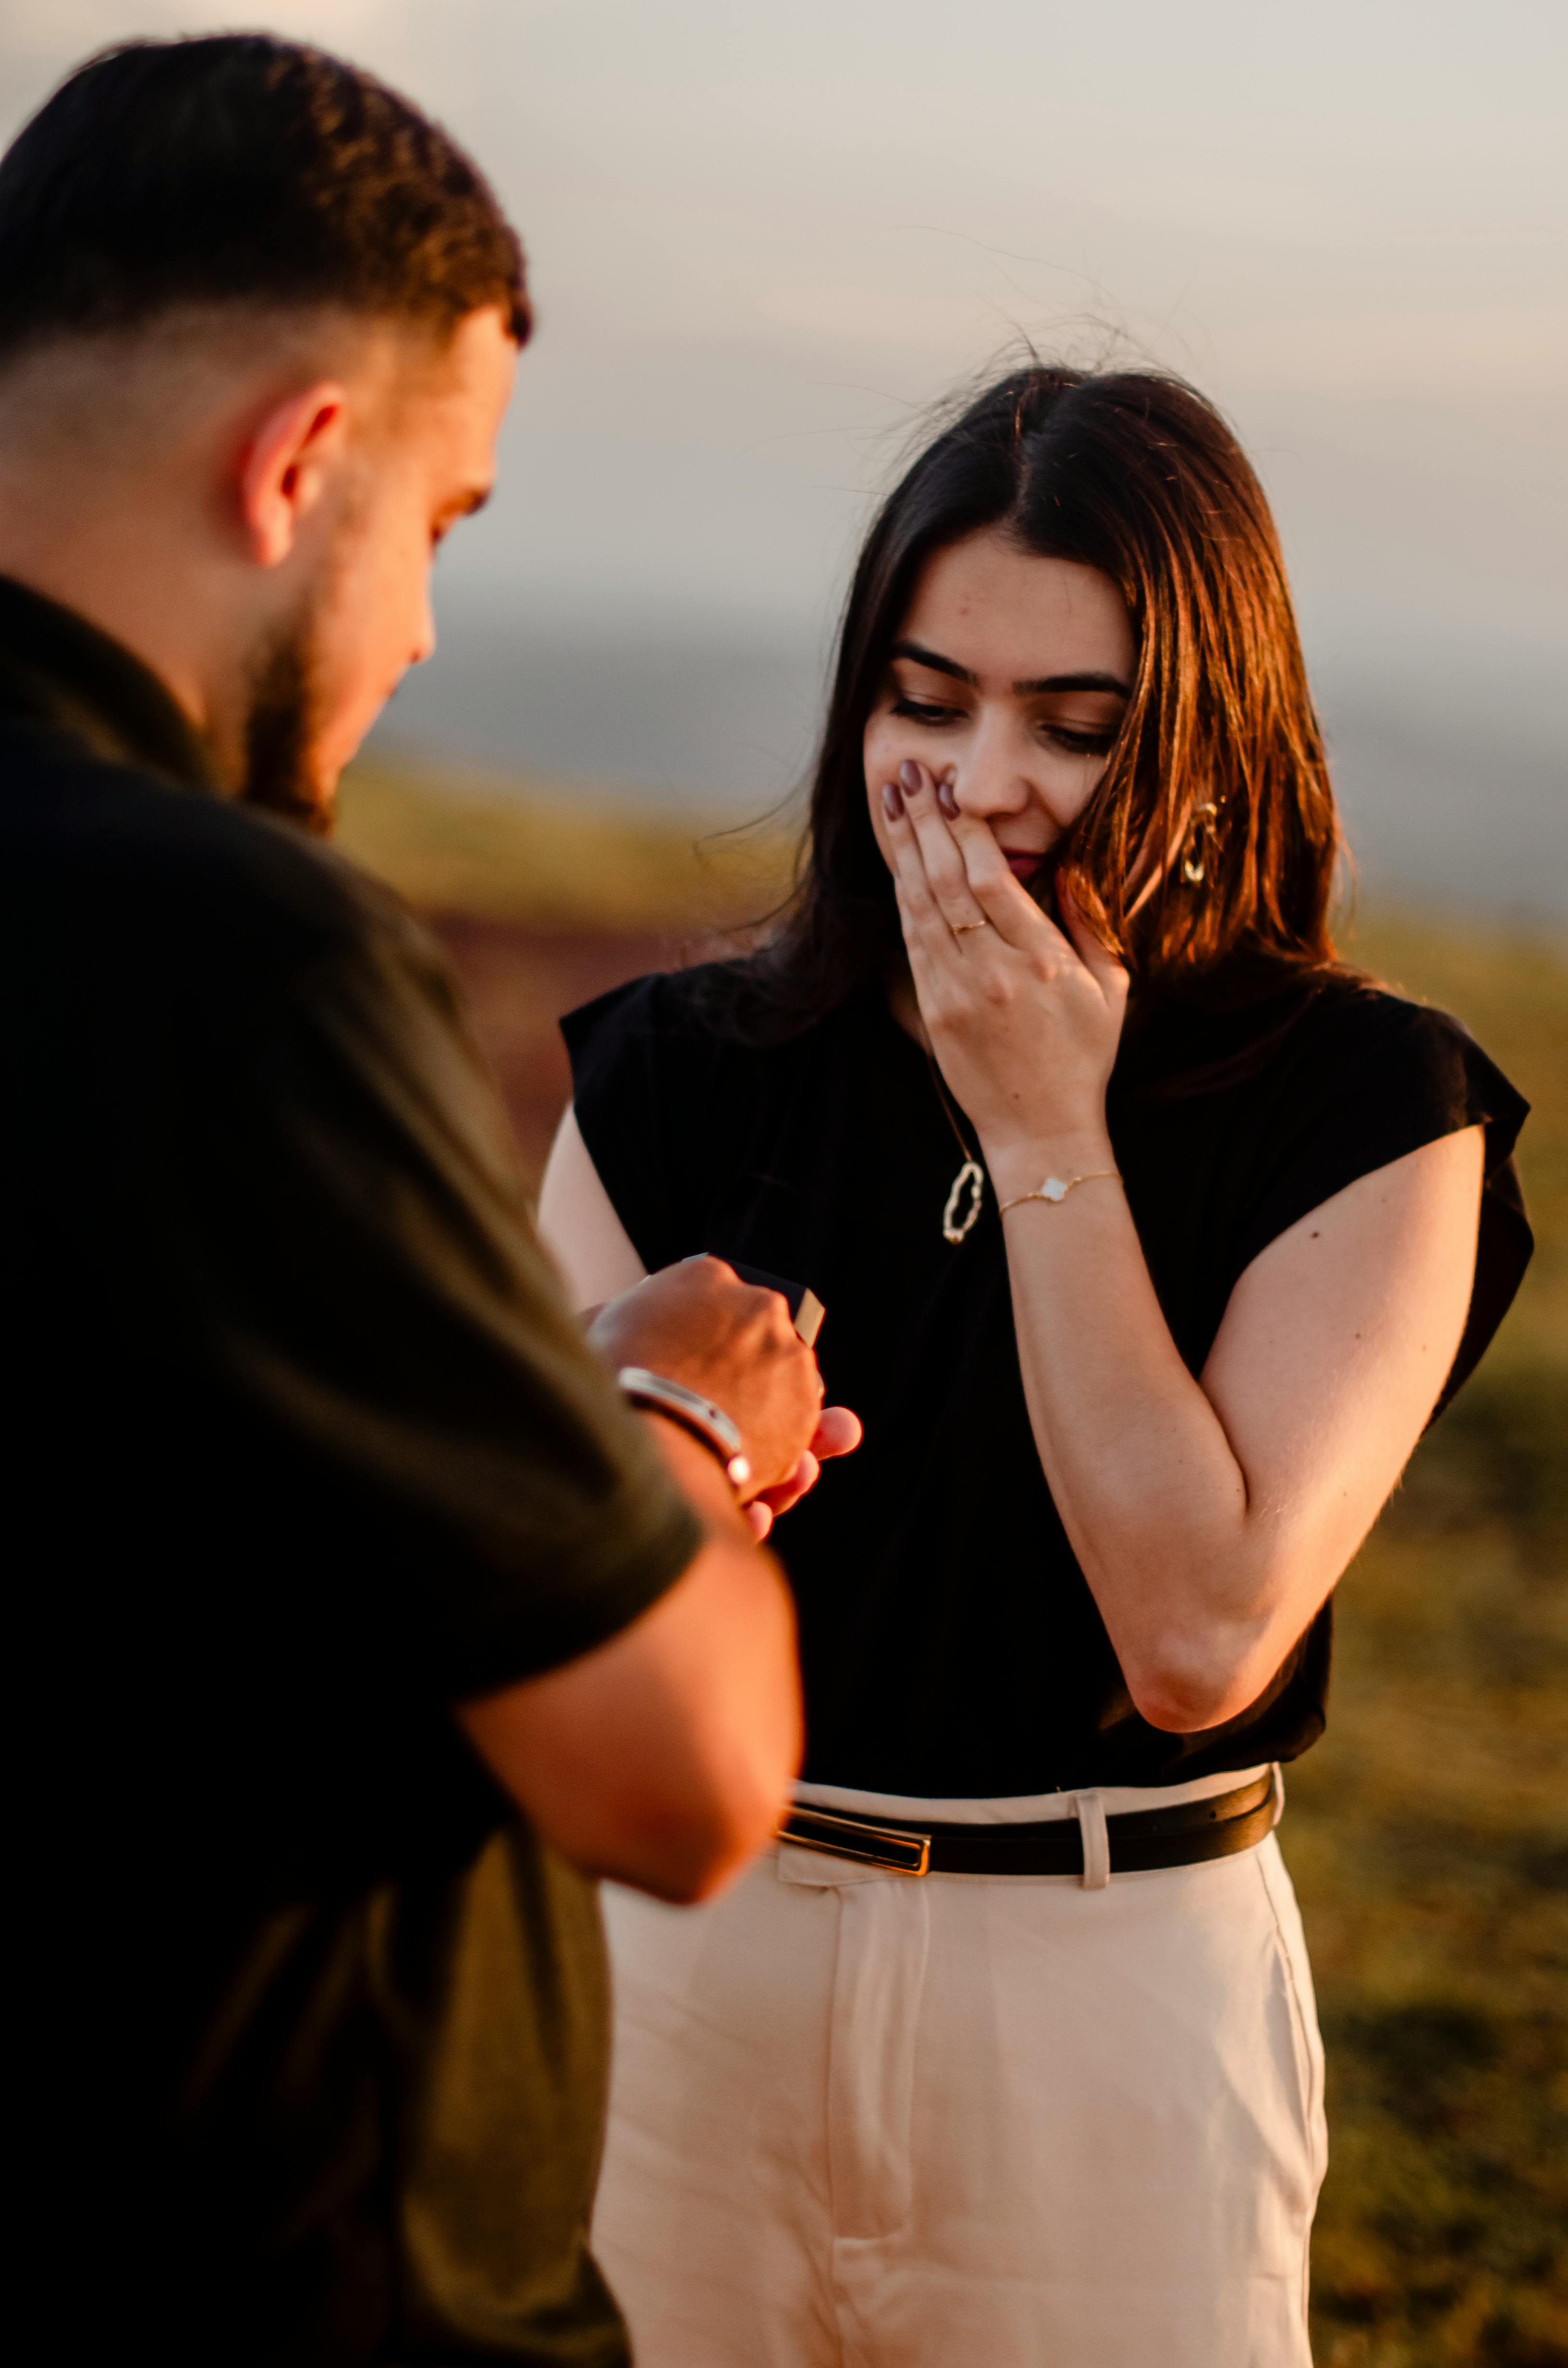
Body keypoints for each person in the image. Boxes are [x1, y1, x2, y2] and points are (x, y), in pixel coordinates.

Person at [0, 36, 858, 2365]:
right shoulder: (219, 943)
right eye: (445, 522)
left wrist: (508, 1410)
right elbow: (683, 1778)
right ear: (299, 463)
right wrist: (667, 1418)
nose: (421, 637)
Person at [539, 365, 1534, 2368]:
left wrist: (1046, 1126)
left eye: (1075, 729)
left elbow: (1195, 1631)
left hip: (1107, 1981)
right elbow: (567, 1579)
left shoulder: (1369, 1104)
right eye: (927, 700)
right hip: (691, 1963)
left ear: (1208, 736)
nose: (983, 783)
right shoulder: (667, 1069)